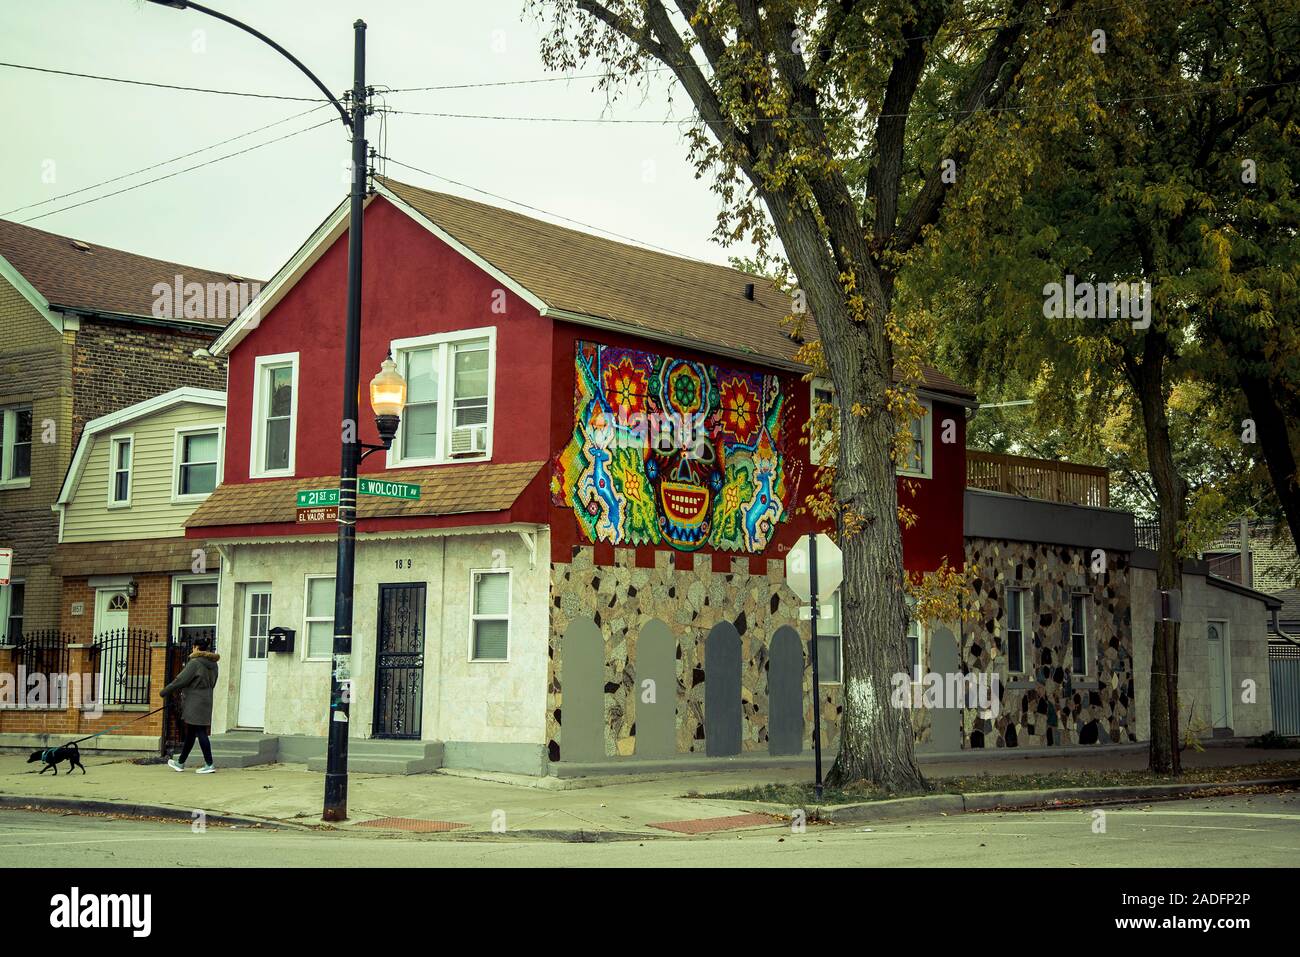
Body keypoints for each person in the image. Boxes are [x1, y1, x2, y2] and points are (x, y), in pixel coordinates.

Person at [160, 637, 220, 773]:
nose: (192, 649)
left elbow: (180, 680)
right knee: (192, 733)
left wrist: (164, 691)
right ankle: (180, 762)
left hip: (194, 701)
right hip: (206, 699)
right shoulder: (214, 664)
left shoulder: (195, 663)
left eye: (193, 647)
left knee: (200, 731)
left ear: (196, 647)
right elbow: (214, 682)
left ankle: (209, 764)